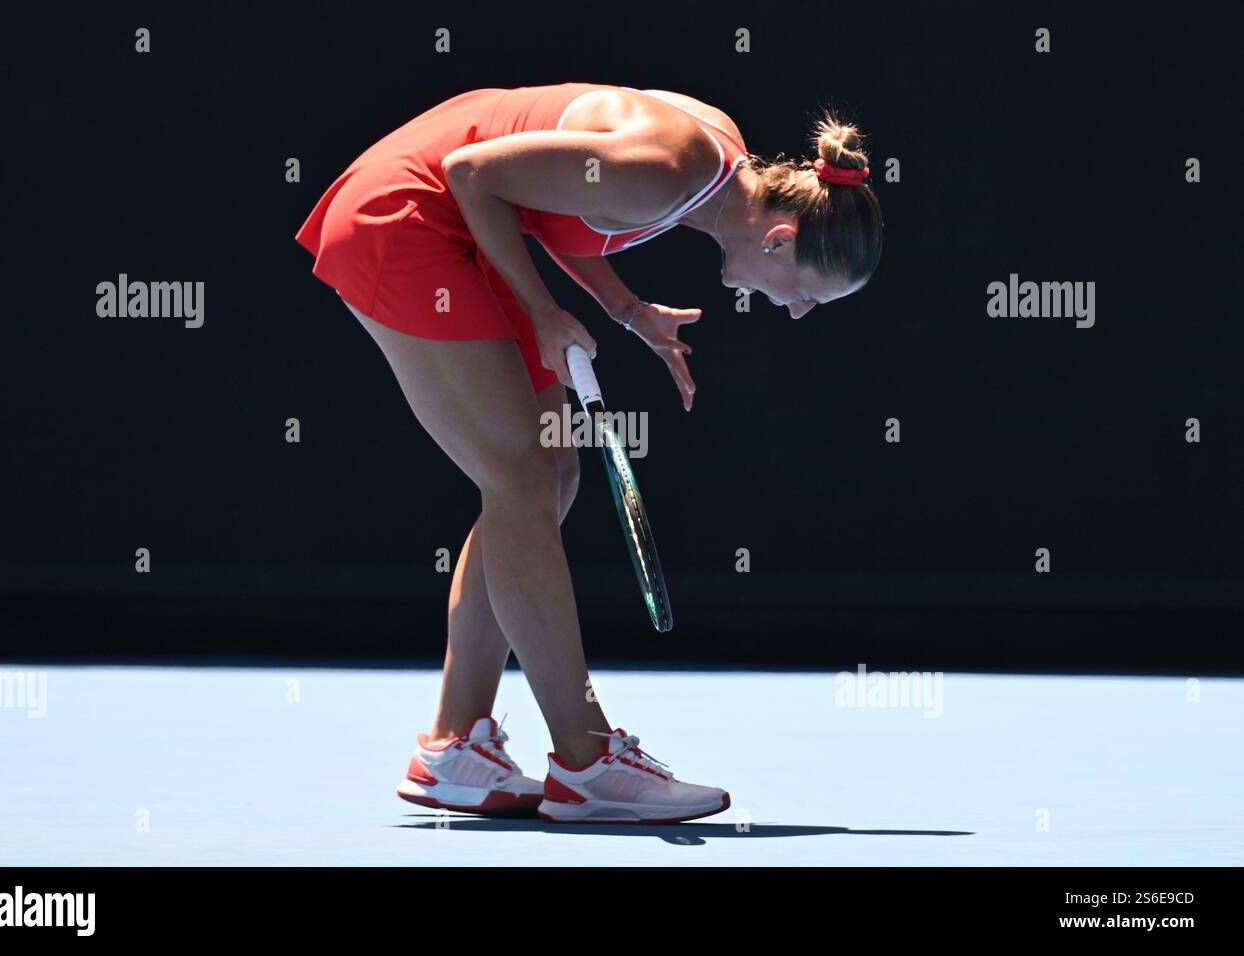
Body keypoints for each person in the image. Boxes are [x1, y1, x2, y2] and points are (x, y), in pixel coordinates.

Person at [296, 83, 883, 823]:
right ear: (779, 242)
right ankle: (585, 757)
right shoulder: (666, 171)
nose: (795, 312)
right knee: (518, 476)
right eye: (807, 297)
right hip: (405, 212)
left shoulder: (710, 164)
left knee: (551, 475)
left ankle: (453, 747)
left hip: (467, 227)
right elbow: (473, 174)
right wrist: (543, 312)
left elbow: (542, 205)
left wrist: (627, 310)